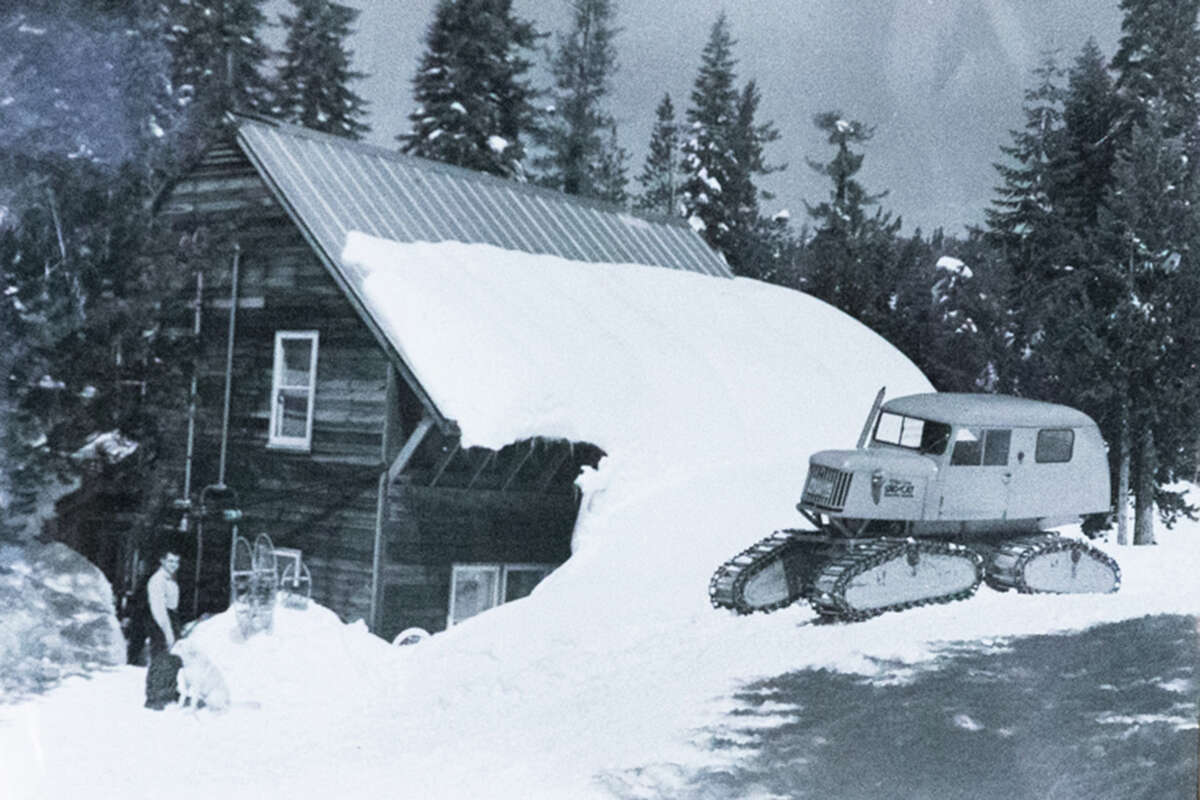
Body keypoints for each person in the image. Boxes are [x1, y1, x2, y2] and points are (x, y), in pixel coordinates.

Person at [144, 548, 183, 710]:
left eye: (176, 562)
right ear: (162, 561)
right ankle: (154, 698)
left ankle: (169, 693)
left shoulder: (171, 579)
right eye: (170, 561)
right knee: (160, 657)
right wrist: (167, 632)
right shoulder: (158, 580)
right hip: (160, 621)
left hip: (171, 617)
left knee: (172, 658)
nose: (174, 565)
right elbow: (159, 609)